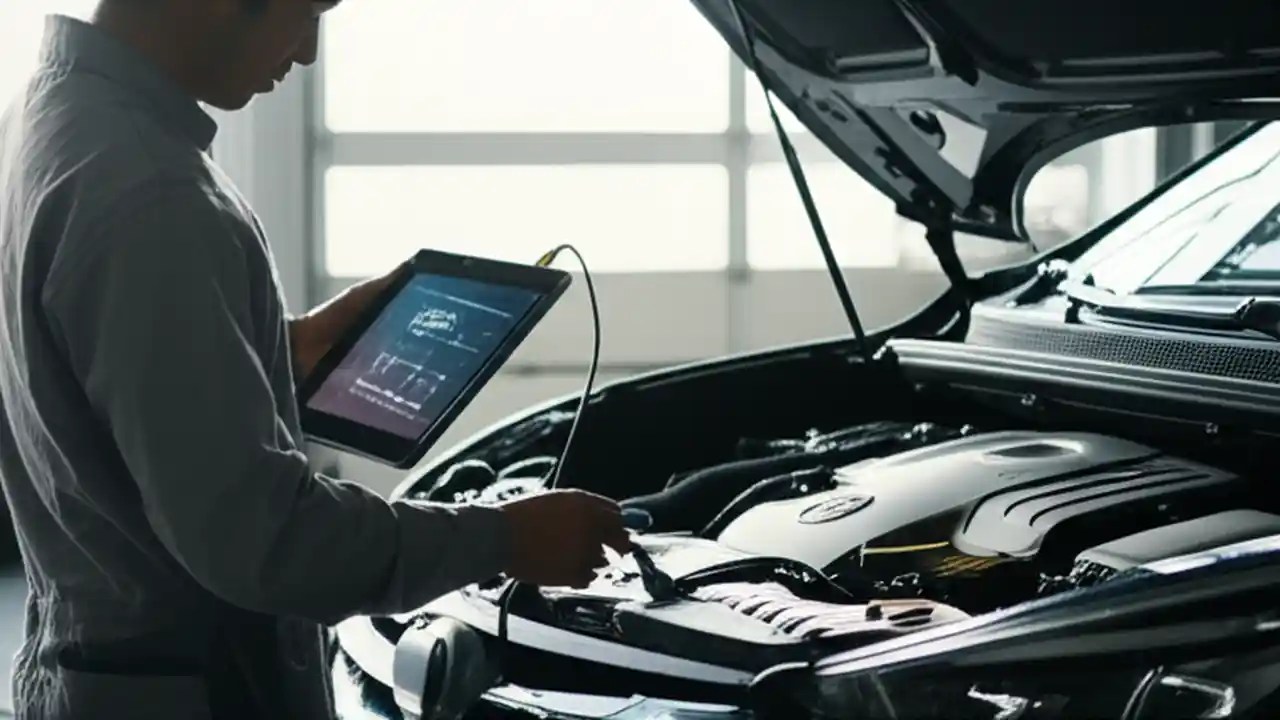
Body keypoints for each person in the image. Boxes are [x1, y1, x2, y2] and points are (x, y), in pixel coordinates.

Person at [0, 1, 631, 717]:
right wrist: (507, 538)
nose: (306, 53)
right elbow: (266, 540)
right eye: (306, 11)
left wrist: (280, 352)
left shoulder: (48, 114)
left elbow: (100, 392)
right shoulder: (152, 195)